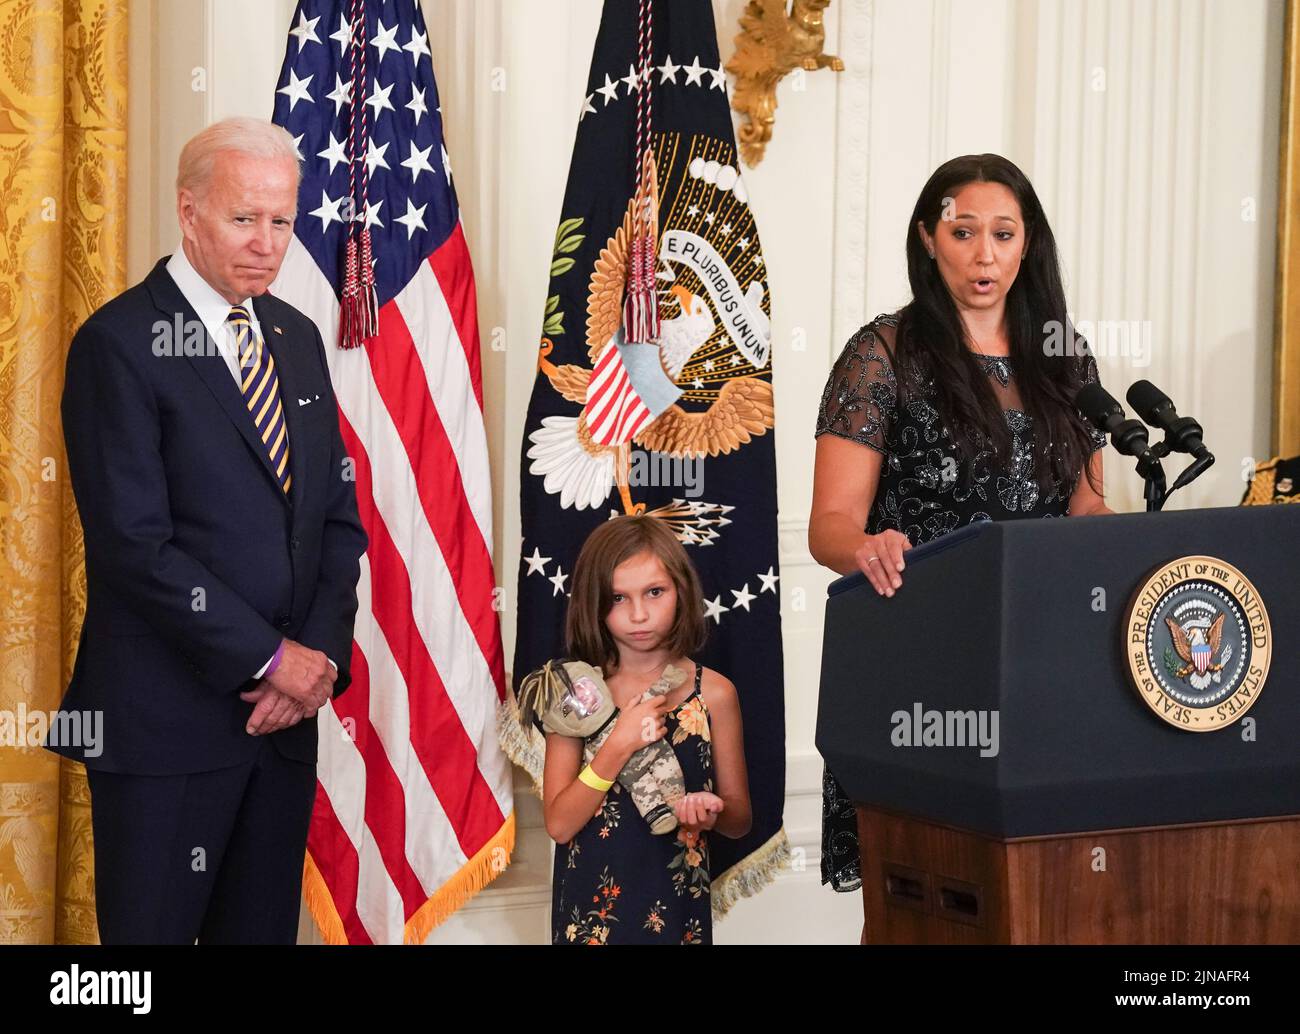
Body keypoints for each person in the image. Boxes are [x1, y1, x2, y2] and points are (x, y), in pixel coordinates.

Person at [48, 117, 367, 944]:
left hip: (284, 726)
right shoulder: (118, 344)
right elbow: (134, 548)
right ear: (188, 213)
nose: (267, 243)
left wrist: (318, 662)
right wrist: (270, 660)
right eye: (243, 219)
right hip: (166, 728)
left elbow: (336, 521)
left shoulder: (296, 339)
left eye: (282, 221)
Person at [808, 153, 1113, 905]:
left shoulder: (1065, 358)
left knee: (1044, 887)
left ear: (1028, 243)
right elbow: (830, 525)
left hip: (1045, 660)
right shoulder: (884, 352)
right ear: (927, 239)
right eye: (963, 232)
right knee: (937, 890)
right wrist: (867, 545)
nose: (985, 255)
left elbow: (1088, 509)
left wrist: (1124, 542)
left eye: (1004, 234)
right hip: (924, 659)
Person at [541, 515, 752, 944]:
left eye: (654, 592)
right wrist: (617, 745)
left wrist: (713, 812)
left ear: (681, 590)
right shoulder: (576, 693)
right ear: (593, 602)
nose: (639, 614)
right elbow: (560, 824)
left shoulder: (713, 693)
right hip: (589, 919)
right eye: (618, 598)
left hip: (677, 914)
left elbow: (740, 819)